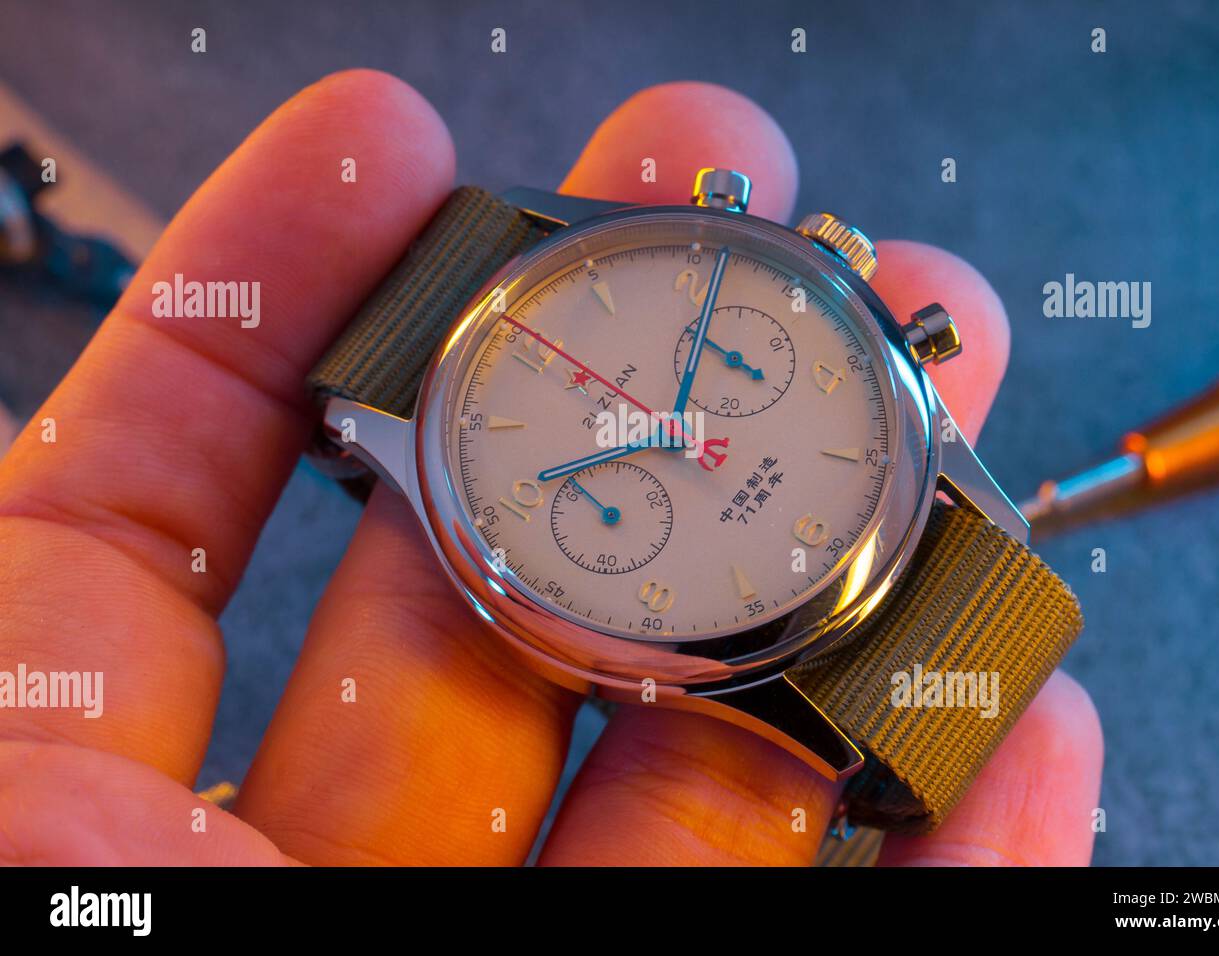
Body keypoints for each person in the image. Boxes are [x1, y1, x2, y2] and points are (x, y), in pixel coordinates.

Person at [0, 72, 1102, 866]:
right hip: (739, 623)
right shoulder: (442, 434)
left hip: (857, 551)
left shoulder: (593, 263)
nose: (690, 433)